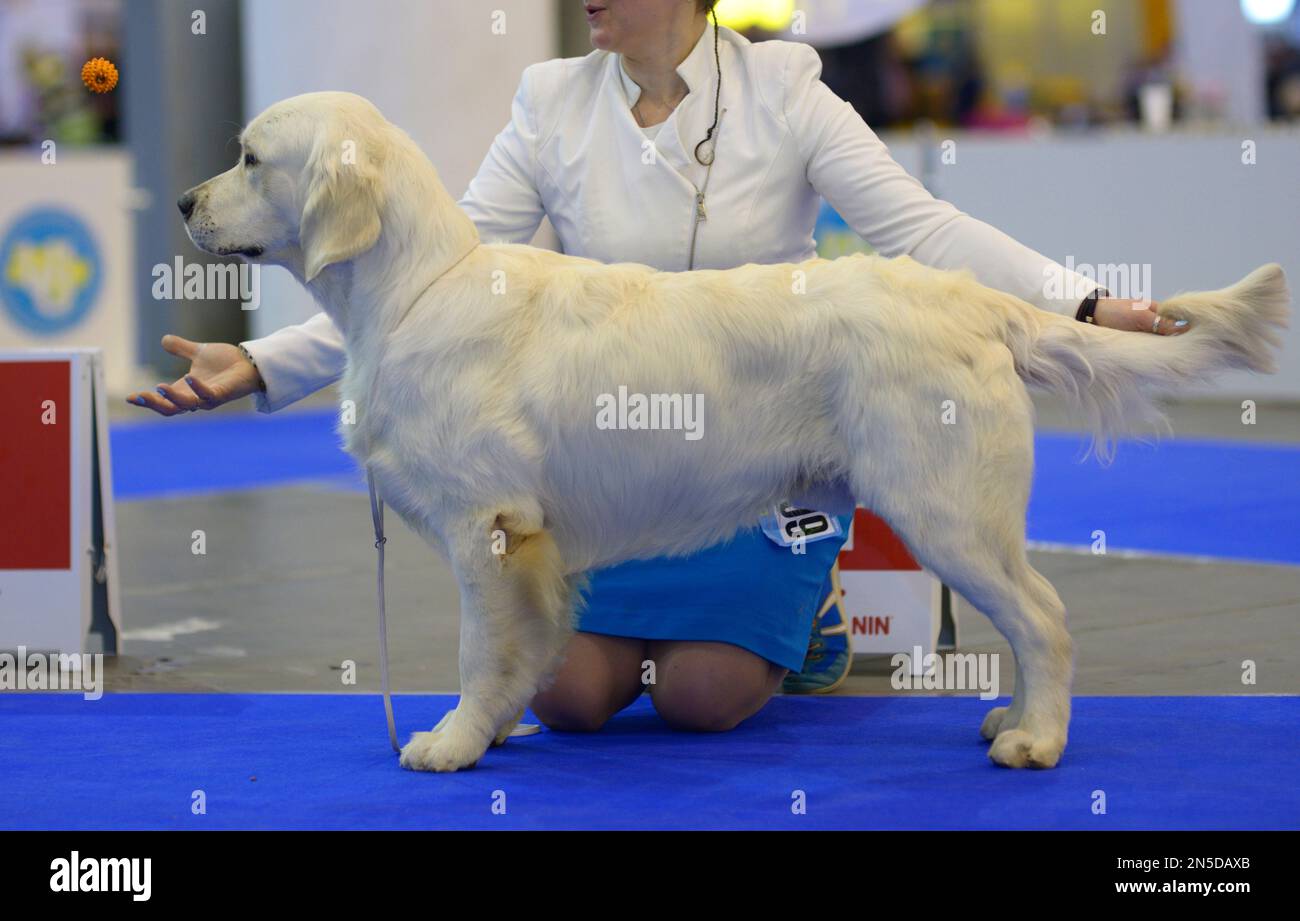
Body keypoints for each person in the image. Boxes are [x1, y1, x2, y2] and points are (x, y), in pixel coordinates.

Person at [128, 0, 1182, 732]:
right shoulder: (550, 103)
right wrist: (263, 367)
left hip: (755, 434)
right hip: (620, 469)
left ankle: (827, 614)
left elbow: (922, 224)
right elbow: (422, 280)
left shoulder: (786, 90)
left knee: (699, 701)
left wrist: (1083, 305)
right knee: (572, 703)